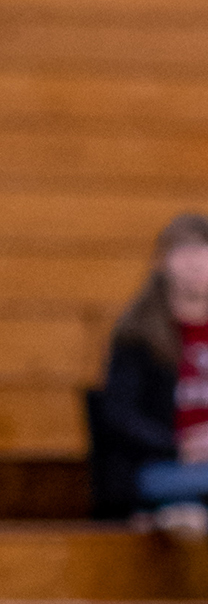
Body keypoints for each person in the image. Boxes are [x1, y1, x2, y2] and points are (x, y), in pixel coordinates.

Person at [88, 214, 208, 534]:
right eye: (184, 252)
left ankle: (181, 514)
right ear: (162, 262)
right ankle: (175, 511)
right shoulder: (138, 335)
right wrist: (180, 446)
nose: (196, 263)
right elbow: (117, 415)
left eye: (203, 251)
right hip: (159, 464)